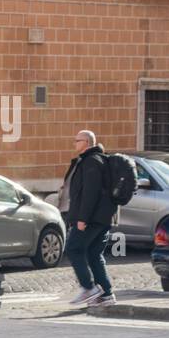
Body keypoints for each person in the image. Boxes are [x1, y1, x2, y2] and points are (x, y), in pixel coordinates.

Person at [59, 130, 117, 306]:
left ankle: (88, 288)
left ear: (86, 142)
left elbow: (90, 194)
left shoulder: (91, 162)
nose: (75, 144)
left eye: (77, 141)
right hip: (102, 218)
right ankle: (106, 294)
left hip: (90, 219)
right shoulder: (97, 160)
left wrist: (82, 219)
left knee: (73, 249)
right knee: (93, 253)